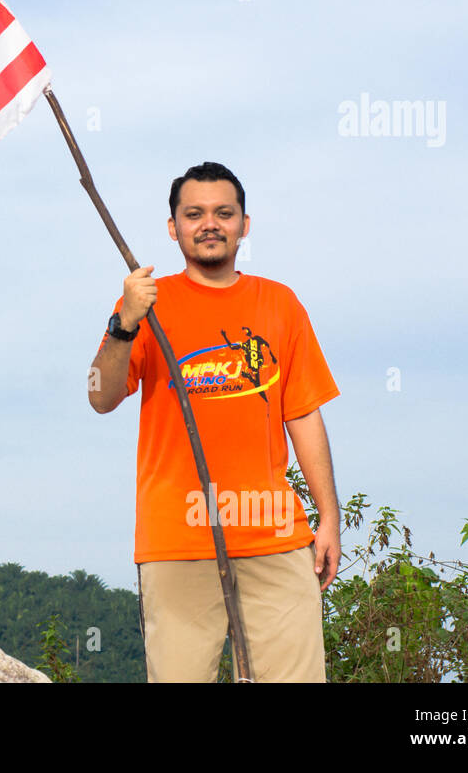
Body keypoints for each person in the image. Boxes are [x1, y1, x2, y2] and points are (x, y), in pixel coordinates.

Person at [87, 161, 341, 682]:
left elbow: (304, 413)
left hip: (273, 531)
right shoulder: (146, 305)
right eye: (194, 213)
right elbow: (101, 396)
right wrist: (124, 324)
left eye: (224, 213)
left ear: (244, 224)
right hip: (177, 537)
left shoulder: (280, 303)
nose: (210, 223)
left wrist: (329, 516)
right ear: (173, 226)